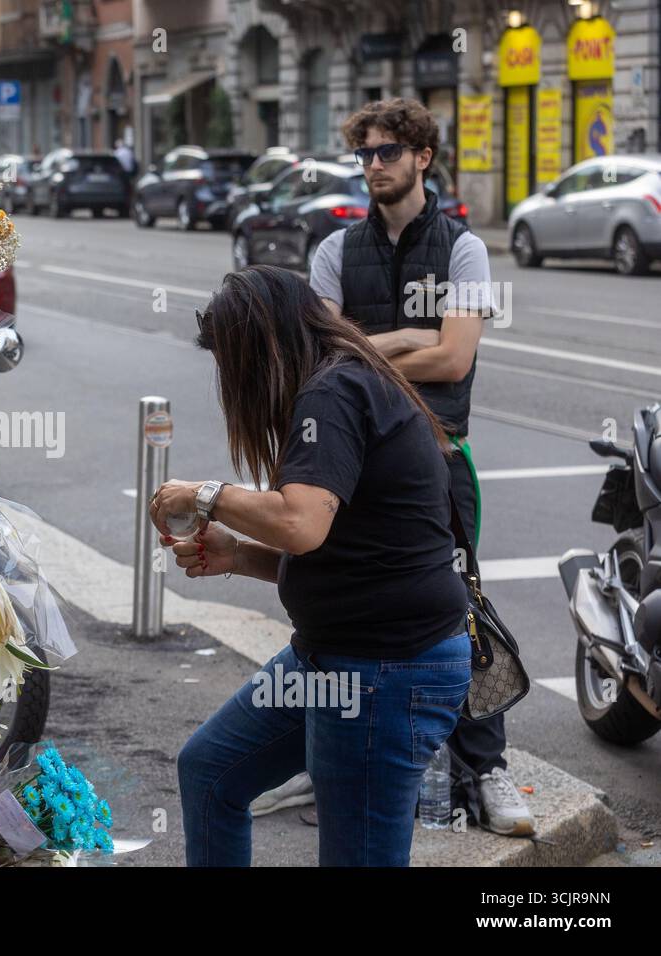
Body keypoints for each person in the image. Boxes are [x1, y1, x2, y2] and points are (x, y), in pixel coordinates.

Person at [153, 265, 471, 866]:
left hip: (383, 670)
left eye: (230, 363)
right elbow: (354, 556)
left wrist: (202, 495)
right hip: (336, 657)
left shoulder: (332, 391)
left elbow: (300, 523)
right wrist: (241, 554)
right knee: (211, 771)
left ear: (260, 350)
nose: (230, 382)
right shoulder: (344, 382)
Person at [306, 97, 532, 836]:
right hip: (353, 458)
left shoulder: (464, 248)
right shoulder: (335, 250)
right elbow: (321, 354)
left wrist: (379, 340)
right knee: (337, 592)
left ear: (422, 158)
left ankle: (486, 768)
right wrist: (410, 338)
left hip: (439, 454)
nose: (374, 166)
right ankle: (330, 751)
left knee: (458, 604)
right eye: (365, 154)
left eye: (388, 153)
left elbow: (456, 356)